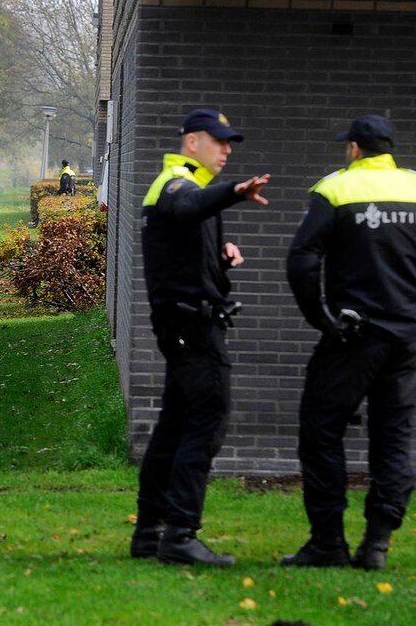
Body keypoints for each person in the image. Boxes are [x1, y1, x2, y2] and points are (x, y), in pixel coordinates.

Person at [281, 115, 416, 570]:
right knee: (392, 438)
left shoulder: (335, 189)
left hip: (352, 336)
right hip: (408, 338)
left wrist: (321, 318)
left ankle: (328, 542)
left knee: (321, 431)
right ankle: (376, 544)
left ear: (354, 148)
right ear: (389, 148)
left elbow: (302, 260)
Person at [131, 108, 271, 567]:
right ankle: (180, 535)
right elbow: (186, 207)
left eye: (230, 142)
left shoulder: (192, 187)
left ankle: (150, 533)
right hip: (193, 329)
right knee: (207, 423)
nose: (227, 149)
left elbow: (182, 252)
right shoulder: (176, 184)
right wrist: (233, 192)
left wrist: (219, 259)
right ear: (192, 142)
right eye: (219, 140)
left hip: (184, 324)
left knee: (173, 427)